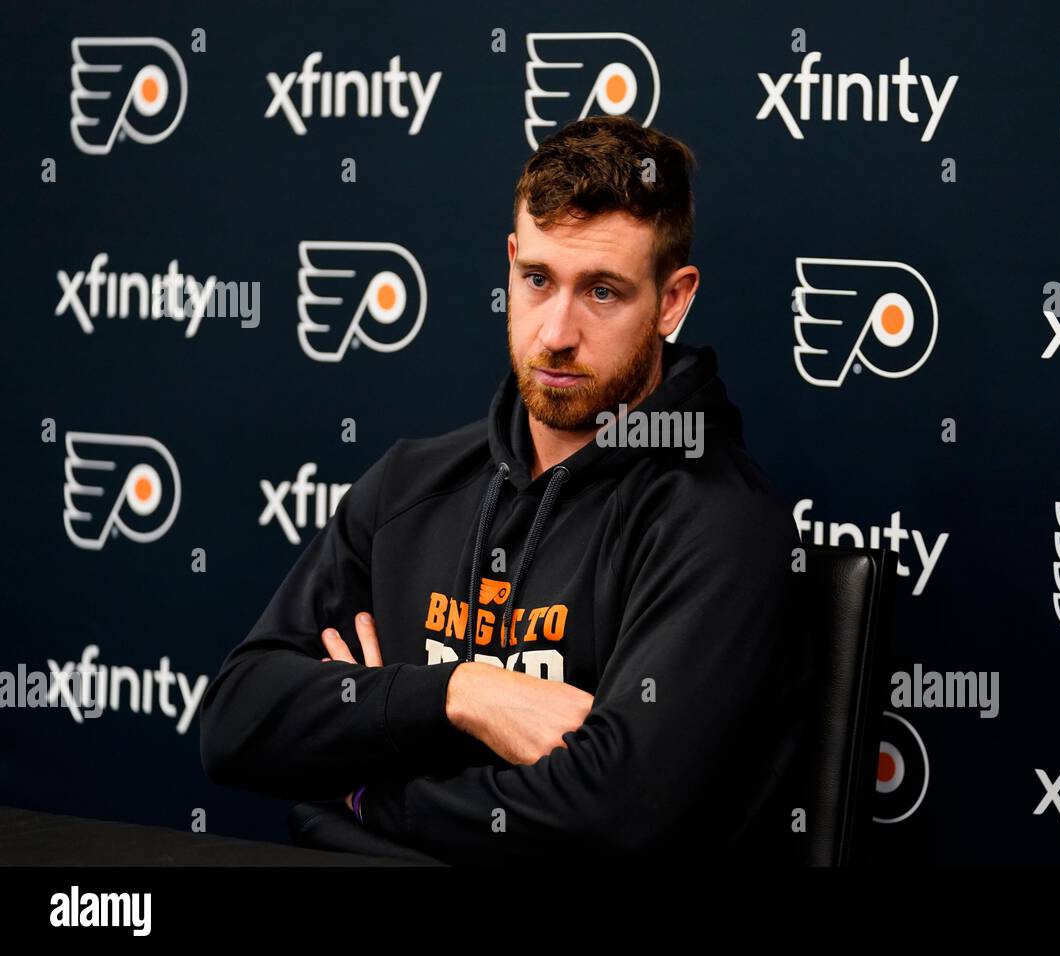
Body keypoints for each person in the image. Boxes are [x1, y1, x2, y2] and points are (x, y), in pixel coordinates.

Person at [199, 115, 807, 864]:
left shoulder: (718, 523)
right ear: (511, 263)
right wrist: (461, 693)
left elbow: (616, 814)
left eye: (604, 292)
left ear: (673, 300)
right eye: (539, 280)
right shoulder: (411, 483)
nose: (556, 331)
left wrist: (361, 783)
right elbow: (237, 721)